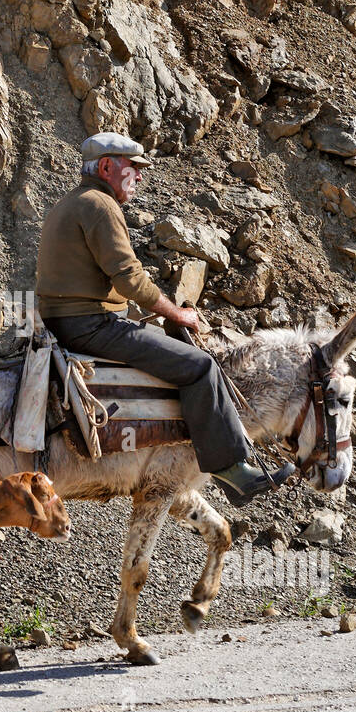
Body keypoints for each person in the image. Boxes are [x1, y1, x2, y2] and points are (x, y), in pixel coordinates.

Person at [34, 132, 292, 506]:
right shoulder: (101, 206)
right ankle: (233, 471)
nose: (139, 176)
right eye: (133, 168)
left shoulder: (70, 202)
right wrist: (177, 313)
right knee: (200, 366)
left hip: (64, 322)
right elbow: (130, 278)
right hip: (90, 326)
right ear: (107, 166)